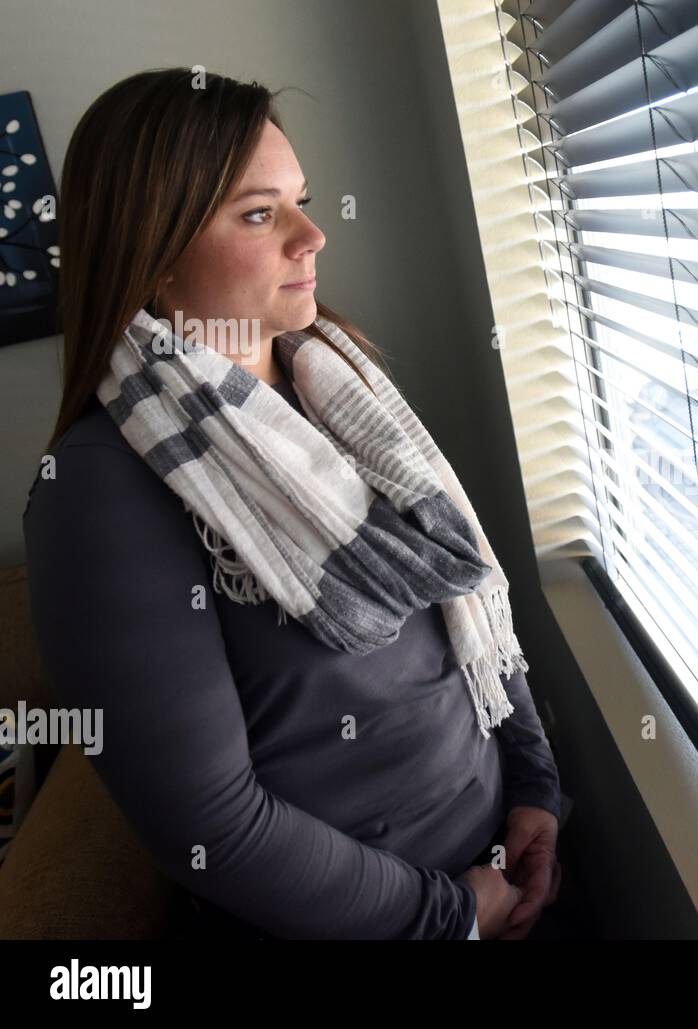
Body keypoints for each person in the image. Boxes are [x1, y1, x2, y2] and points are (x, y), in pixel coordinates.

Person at [22, 68, 563, 940]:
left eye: (300, 201)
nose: (313, 236)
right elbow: (214, 826)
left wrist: (535, 788)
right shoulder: (98, 492)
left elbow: (464, 597)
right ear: (152, 252)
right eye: (258, 213)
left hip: (505, 860)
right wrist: (454, 914)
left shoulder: (342, 383)